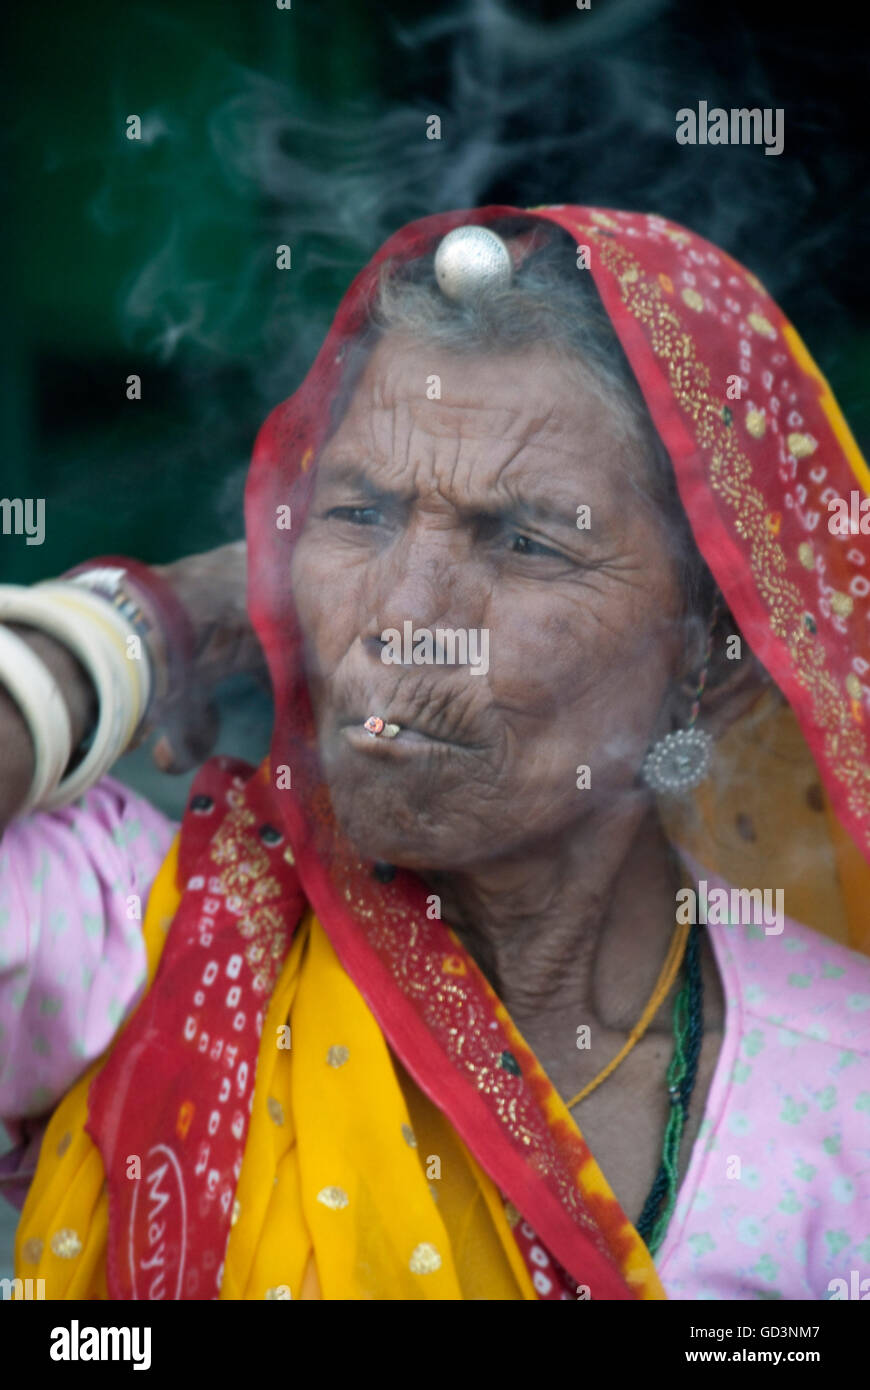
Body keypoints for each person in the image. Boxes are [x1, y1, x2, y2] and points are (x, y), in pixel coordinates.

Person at [1, 205, 869, 1301]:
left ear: (715, 653)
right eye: (357, 513)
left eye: (525, 541)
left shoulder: (844, 1105)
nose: (403, 616)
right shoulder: (136, 929)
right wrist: (147, 620)